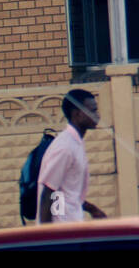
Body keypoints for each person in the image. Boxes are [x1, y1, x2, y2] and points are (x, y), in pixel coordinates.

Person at [37, 88, 107, 223]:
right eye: (92, 111)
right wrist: (48, 236)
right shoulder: (65, 147)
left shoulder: (75, 143)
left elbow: (65, 192)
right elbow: (49, 193)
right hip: (62, 233)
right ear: (77, 114)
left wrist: (92, 209)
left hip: (71, 227)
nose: (97, 115)